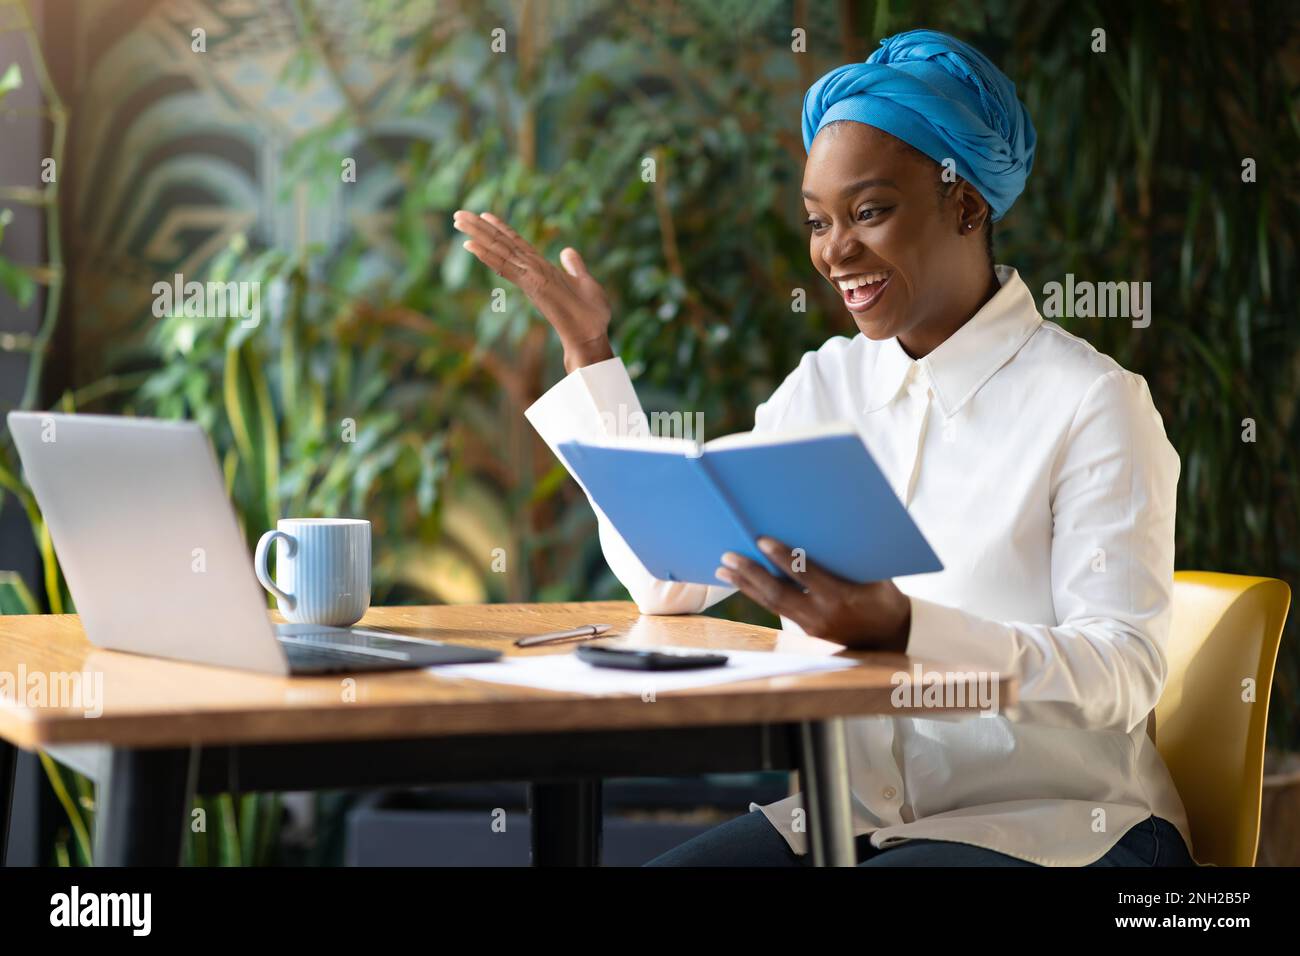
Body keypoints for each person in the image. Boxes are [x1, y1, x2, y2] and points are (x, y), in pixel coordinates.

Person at [452, 29, 1196, 867]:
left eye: (869, 212)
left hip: (1058, 831)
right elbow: (672, 579)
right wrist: (591, 354)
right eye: (817, 221)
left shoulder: (1092, 403)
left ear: (966, 204)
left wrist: (908, 627)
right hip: (845, 823)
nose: (834, 251)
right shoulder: (828, 385)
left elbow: (1122, 673)